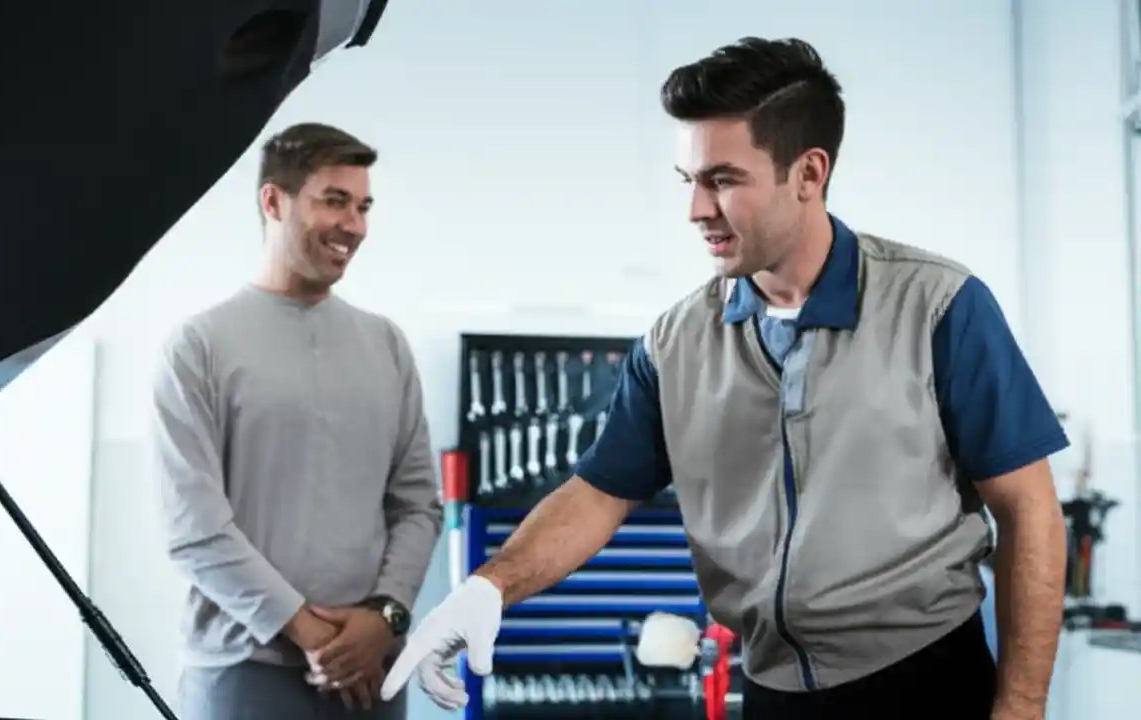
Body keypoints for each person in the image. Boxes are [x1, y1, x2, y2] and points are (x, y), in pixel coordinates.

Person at [381, 38, 1069, 719]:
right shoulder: (674, 344)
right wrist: (487, 587)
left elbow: (1028, 509)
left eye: (724, 180)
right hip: (772, 692)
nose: (696, 210)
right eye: (690, 181)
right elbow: (597, 494)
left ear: (809, 172)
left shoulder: (939, 307)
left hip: (927, 685)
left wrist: (1022, 706)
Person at [151, 122, 443, 720]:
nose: (354, 226)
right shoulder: (199, 345)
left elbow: (417, 504)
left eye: (363, 206)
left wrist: (383, 619)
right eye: (334, 201)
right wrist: (313, 633)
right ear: (273, 201)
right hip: (243, 673)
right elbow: (194, 530)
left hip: (372, 670)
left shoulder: (385, 343)